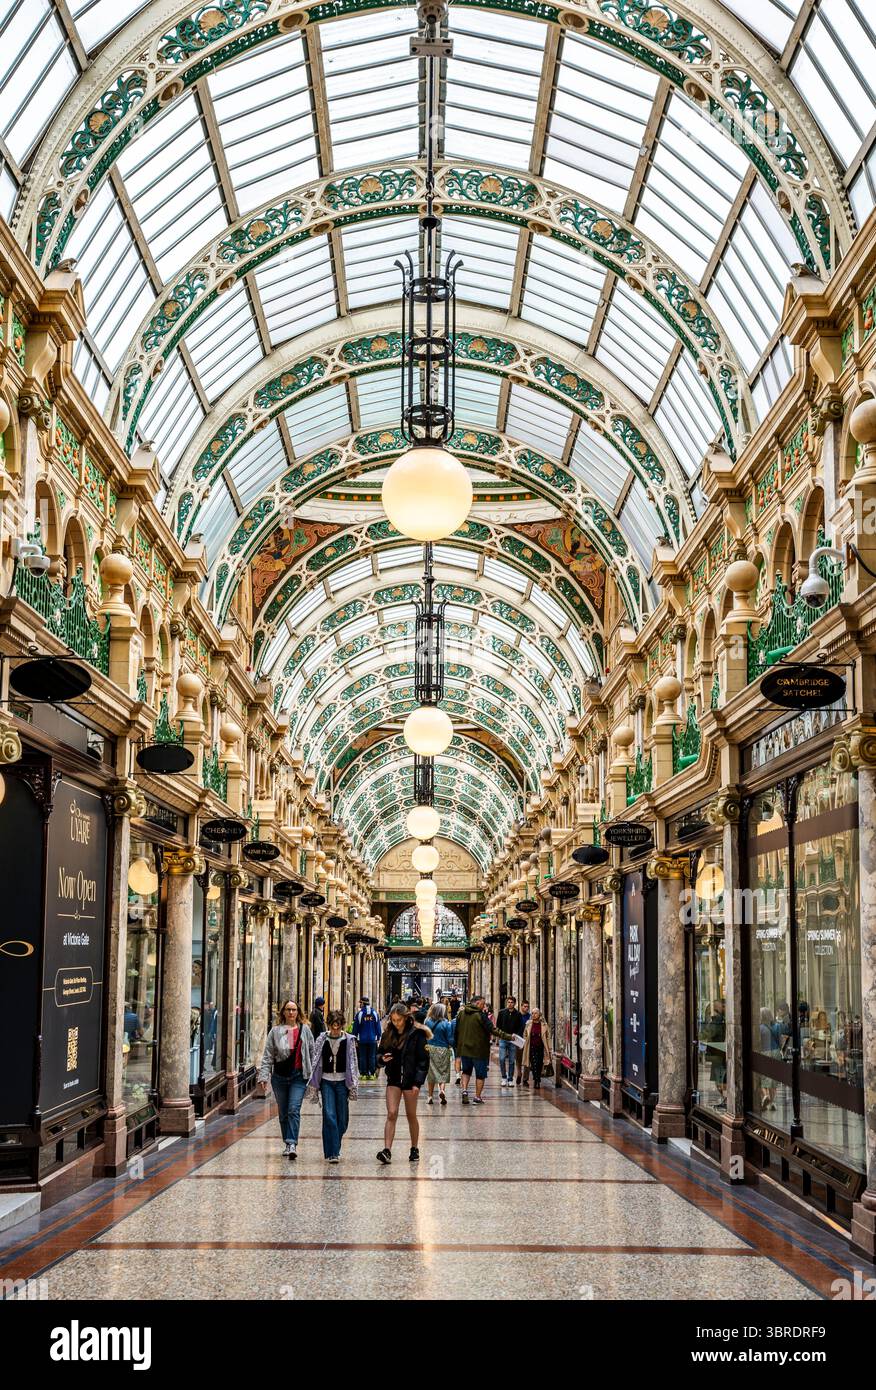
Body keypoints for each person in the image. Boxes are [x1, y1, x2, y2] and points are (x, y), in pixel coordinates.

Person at [258, 1000, 315, 1158]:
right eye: (288, 1010)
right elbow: (268, 1055)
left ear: (298, 1012)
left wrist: (315, 1076)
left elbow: (312, 1052)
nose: (291, 1013)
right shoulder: (275, 1031)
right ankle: (287, 1141)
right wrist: (263, 1075)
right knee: (283, 1113)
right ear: (283, 1012)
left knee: (293, 1109)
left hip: (298, 1076)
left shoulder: (305, 1030)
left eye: (294, 1010)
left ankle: (291, 1143)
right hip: (280, 1077)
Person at [376, 1002, 431, 1163]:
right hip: (393, 1078)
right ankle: (387, 1150)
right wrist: (381, 1059)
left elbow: (423, 1061)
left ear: (406, 1018)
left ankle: (414, 1148)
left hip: (410, 1080)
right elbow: (378, 1054)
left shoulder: (417, 1034)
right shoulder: (388, 1033)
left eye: (399, 1020)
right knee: (391, 1113)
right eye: (393, 1020)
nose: (396, 1023)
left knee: (411, 1115)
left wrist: (418, 1083)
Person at [307, 1008, 359, 1163]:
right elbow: (315, 1060)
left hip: (343, 1082)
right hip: (326, 1082)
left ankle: (334, 1144)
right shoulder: (321, 1039)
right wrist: (314, 1083)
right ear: (328, 1025)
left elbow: (353, 1062)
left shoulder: (349, 1040)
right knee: (329, 1115)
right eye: (332, 1025)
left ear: (342, 1025)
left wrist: (353, 1083)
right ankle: (333, 1152)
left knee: (342, 1120)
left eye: (338, 1025)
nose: (335, 1029)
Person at [455, 995, 521, 1104]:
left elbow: (457, 1031)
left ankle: (465, 1091)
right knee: (480, 1074)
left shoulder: (461, 1014)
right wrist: (509, 1037)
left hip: (465, 1049)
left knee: (466, 1071)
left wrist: (458, 1046)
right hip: (479, 1050)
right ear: (476, 1003)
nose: (484, 1006)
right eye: (482, 1003)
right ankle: (477, 1097)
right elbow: (493, 1029)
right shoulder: (480, 1015)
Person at [425, 1002, 455, 1105]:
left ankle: (429, 1096)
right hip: (443, 1050)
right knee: (443, 1071)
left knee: (431, 1073)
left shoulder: (427, 1022)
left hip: (430, 1049)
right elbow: (450, 1038)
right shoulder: (446, 1023)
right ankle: (442, 1090)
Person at [496, 996, 524, 1088]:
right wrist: (499, 1036)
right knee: (502, 1059)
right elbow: (498, 1026)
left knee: (512, 1061)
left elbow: (521, 1027)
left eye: (512, 1002)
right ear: (506, 1003)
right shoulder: (501, 1013)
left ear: (514, 1003)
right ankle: (504, 1077)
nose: (510, 1004)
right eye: (508, 1002)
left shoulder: (518, 1014)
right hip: (503, 1039)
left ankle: (510, 1079)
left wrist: (516, 1036)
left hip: (513, 1040)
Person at [522, 1008, 552, 1089]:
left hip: (541, 1047)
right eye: (532, 1013)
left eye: (535, 1013)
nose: (533, 1015)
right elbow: (524, 1034)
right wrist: (525, 1041)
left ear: (539, 1014)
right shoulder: (528, 1024)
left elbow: (548, 1037)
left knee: (539, 1064)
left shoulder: (544, 1025)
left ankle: (537, 1079)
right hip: (531, 1047)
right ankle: (536, 1080)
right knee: (534, 1063)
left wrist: (549, 1048)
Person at [353, 996, 382, 1079]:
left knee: (362, 1056)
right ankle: (372, 1074)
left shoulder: (360, 1014)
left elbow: (356, 1027)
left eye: (360, 1003)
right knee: (372, 1056)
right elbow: (378, 1026)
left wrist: (354, 1037)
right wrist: (378, 1036)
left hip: (362, 1039)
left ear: (363, 1003)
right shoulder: (375, 1013)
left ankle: (363, 1074)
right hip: (373, 1039)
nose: (360, 1005)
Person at [516, 999, 531, 1086]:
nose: (526, 1008)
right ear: (521, 1006)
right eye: (524, 1006)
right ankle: (519, 1074)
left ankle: (525, 1079)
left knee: (527, 1060)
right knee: (518, 1059)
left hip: (527, 1041)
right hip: (518, 1040)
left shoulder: (529, 1017)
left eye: (527, 1007)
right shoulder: (517, 1015)